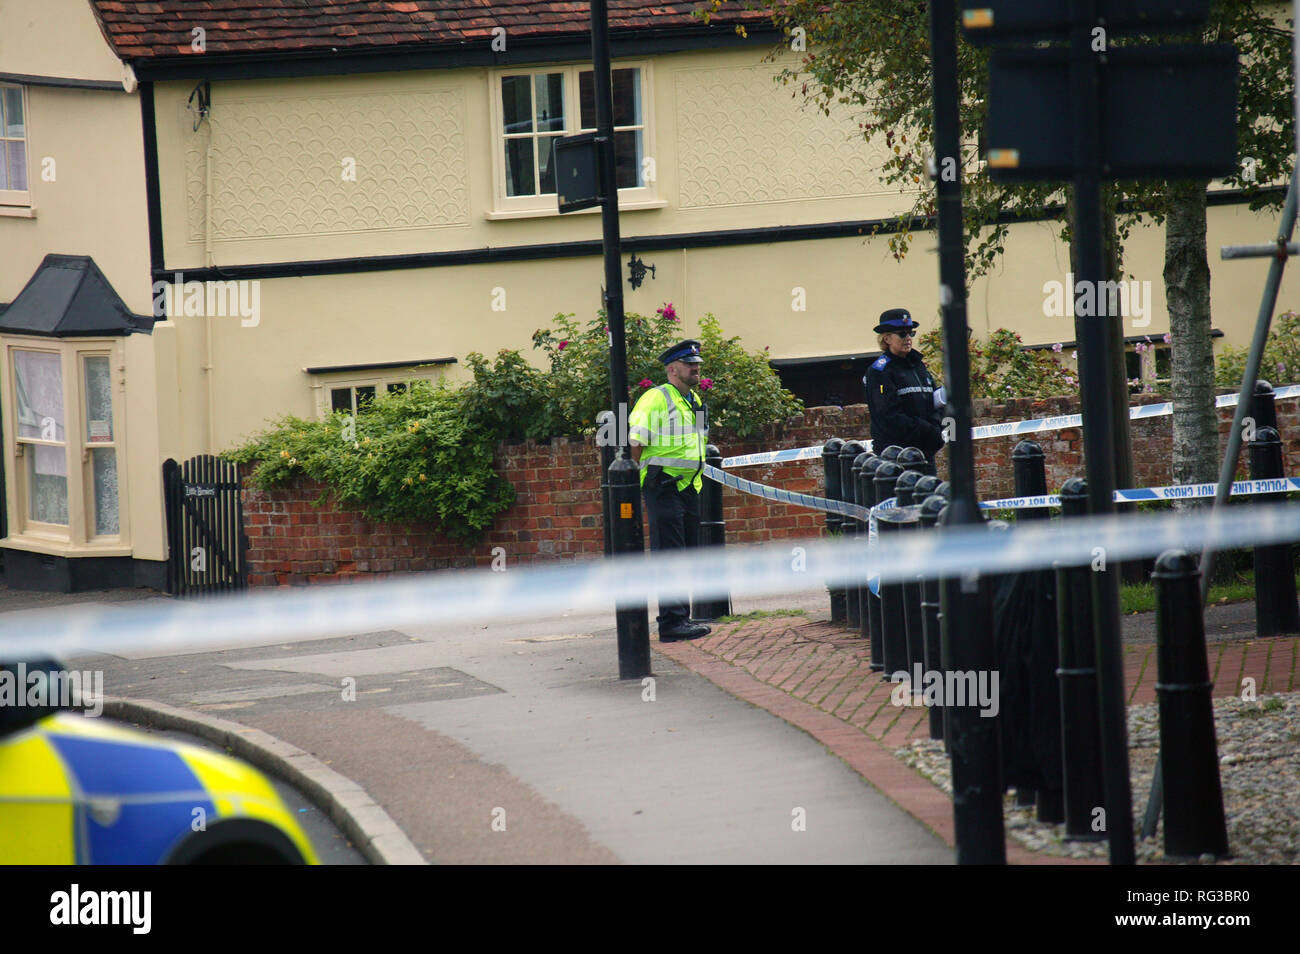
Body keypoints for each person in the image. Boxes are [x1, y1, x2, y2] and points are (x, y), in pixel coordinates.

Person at [628, 339, 711, 641]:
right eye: (691, 365)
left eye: (698, 364)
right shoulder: (657, 397)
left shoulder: (696, 402)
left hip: (689, 487)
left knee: (684, 554)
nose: (696, 368)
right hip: (662, 485)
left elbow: (699, 443)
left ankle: (680, 619)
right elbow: (635, 441)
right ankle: (671, 624)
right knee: (670, 556)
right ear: (673, 369)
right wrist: (633, 486)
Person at [863, 308, 945, 463]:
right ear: (887, 339)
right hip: (895, 457)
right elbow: (889, 416)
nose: (908, 338)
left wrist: (935, 428)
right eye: (902, 334)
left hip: (924, 454)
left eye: (910, 333)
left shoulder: (919, 366)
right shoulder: (880, 371)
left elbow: (934, 402)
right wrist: (926, 430)